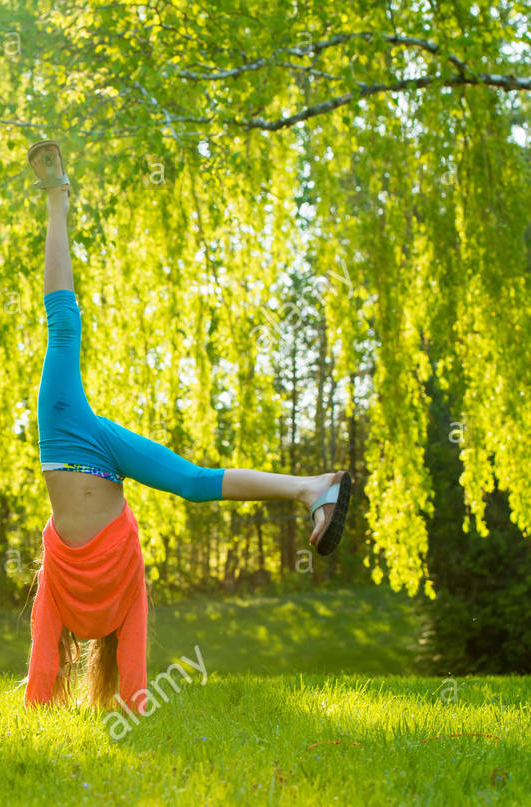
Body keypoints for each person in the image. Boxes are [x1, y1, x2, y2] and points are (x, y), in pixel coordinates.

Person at [23, 140, 351, 713]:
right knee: (195, 483)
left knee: (62, 327)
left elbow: (42, 667)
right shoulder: (120, 592)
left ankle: (57, 200)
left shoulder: (60, 591)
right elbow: (130, 676)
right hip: (99, 456)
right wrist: (134, 706)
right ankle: (311, 487)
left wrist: (36, 712)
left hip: (67, 433)